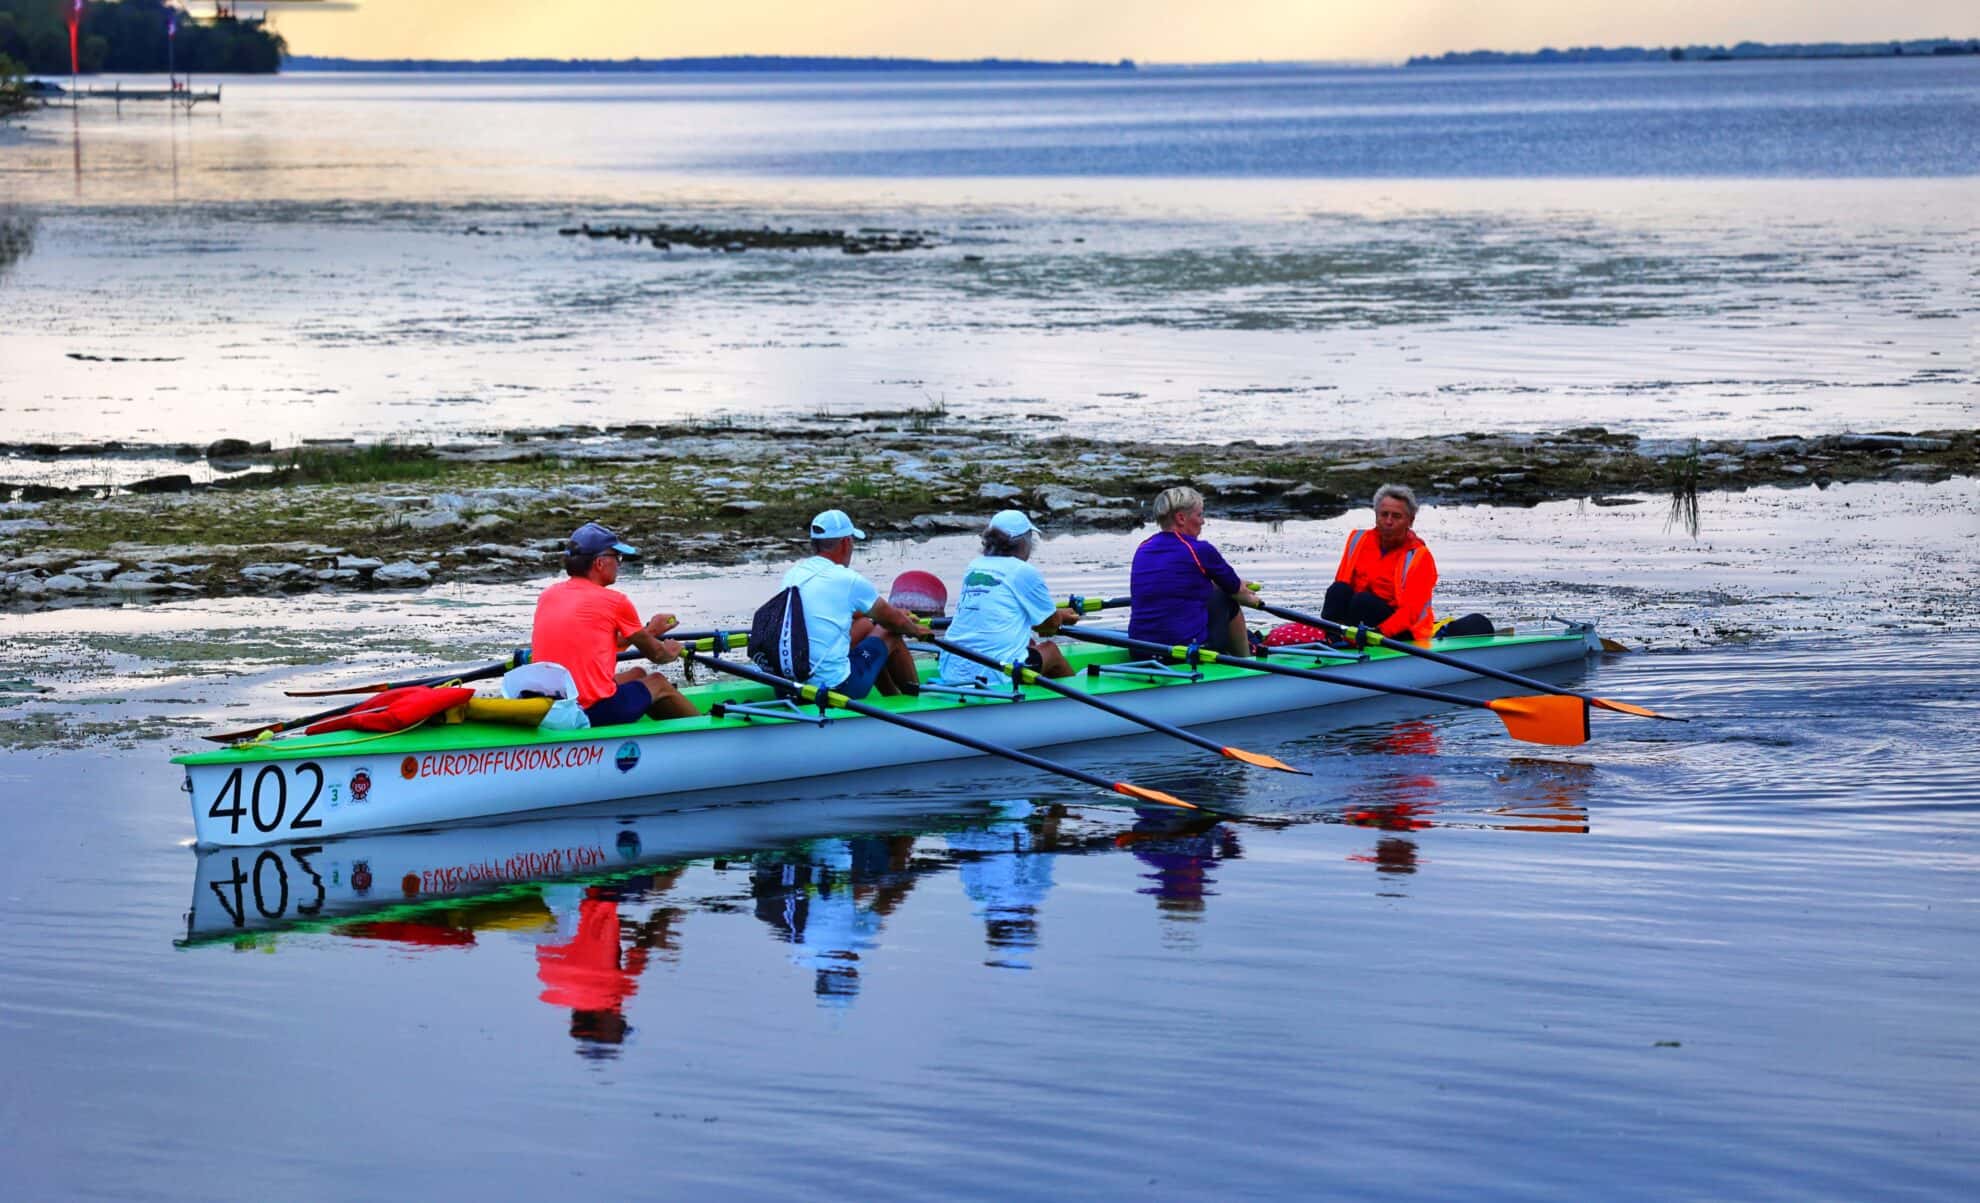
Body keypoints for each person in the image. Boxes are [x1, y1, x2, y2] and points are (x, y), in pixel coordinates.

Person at [530, 521, 700, 726]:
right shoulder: (615, 601)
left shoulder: (549, 595)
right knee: (658, 682)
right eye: (616, 557)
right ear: (599, 563)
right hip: (586, 712)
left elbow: (595, 642)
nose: (619, 564)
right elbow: (657, 655)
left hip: (552, 704)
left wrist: (650, 631)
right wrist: (671, 650)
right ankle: (708, 732)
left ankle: (665, 730)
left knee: (637, 674)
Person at [782, 509, 932, 697]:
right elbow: (895, 622)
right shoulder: (847, 579)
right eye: (852, 541)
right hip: (836, 689)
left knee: (864, 625)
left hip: (791, 683)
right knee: (891, 631)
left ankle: (892, 696)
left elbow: (845, 613)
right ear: (846, 542)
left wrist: (884, 615)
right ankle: (913, 700)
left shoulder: (793, 575)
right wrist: (916, 631)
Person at [1324, 484, 1491, 644]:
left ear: (1410, 521)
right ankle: (1334, 640)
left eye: (1396, 516)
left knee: (1363, 601)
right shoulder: (1357, 539)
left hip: (1401, 630)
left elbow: (1410, 614)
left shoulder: (1419, 556)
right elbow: (1342, 588)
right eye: (1384, 514)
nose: (1389, 521)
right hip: (1358, 621)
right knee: (1338, 590)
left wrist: (1379, 633)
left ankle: (1352, 643)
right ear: (1376, 516)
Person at [937, 510, 1082, 687]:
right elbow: (1049, 625)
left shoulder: (975, 566)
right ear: (1023, 542)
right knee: (1051, 650)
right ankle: (1078, 704)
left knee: (1028, 642)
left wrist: (1053, 615)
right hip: (997, 675)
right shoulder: (1022, 571)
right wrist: (1062, 617)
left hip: (951, 669)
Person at [1128, 486, 1260, 654]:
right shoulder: (1199, 550)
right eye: (1199, 515)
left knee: (1213, 594)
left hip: (1140, 650)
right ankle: (1246, 662)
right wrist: (1250, 597)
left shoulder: (1143, 548)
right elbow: (1237, 590)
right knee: (1226, 599)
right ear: (1181, 518)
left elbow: (1183, 582)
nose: (1203, 521)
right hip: (1186, 653)